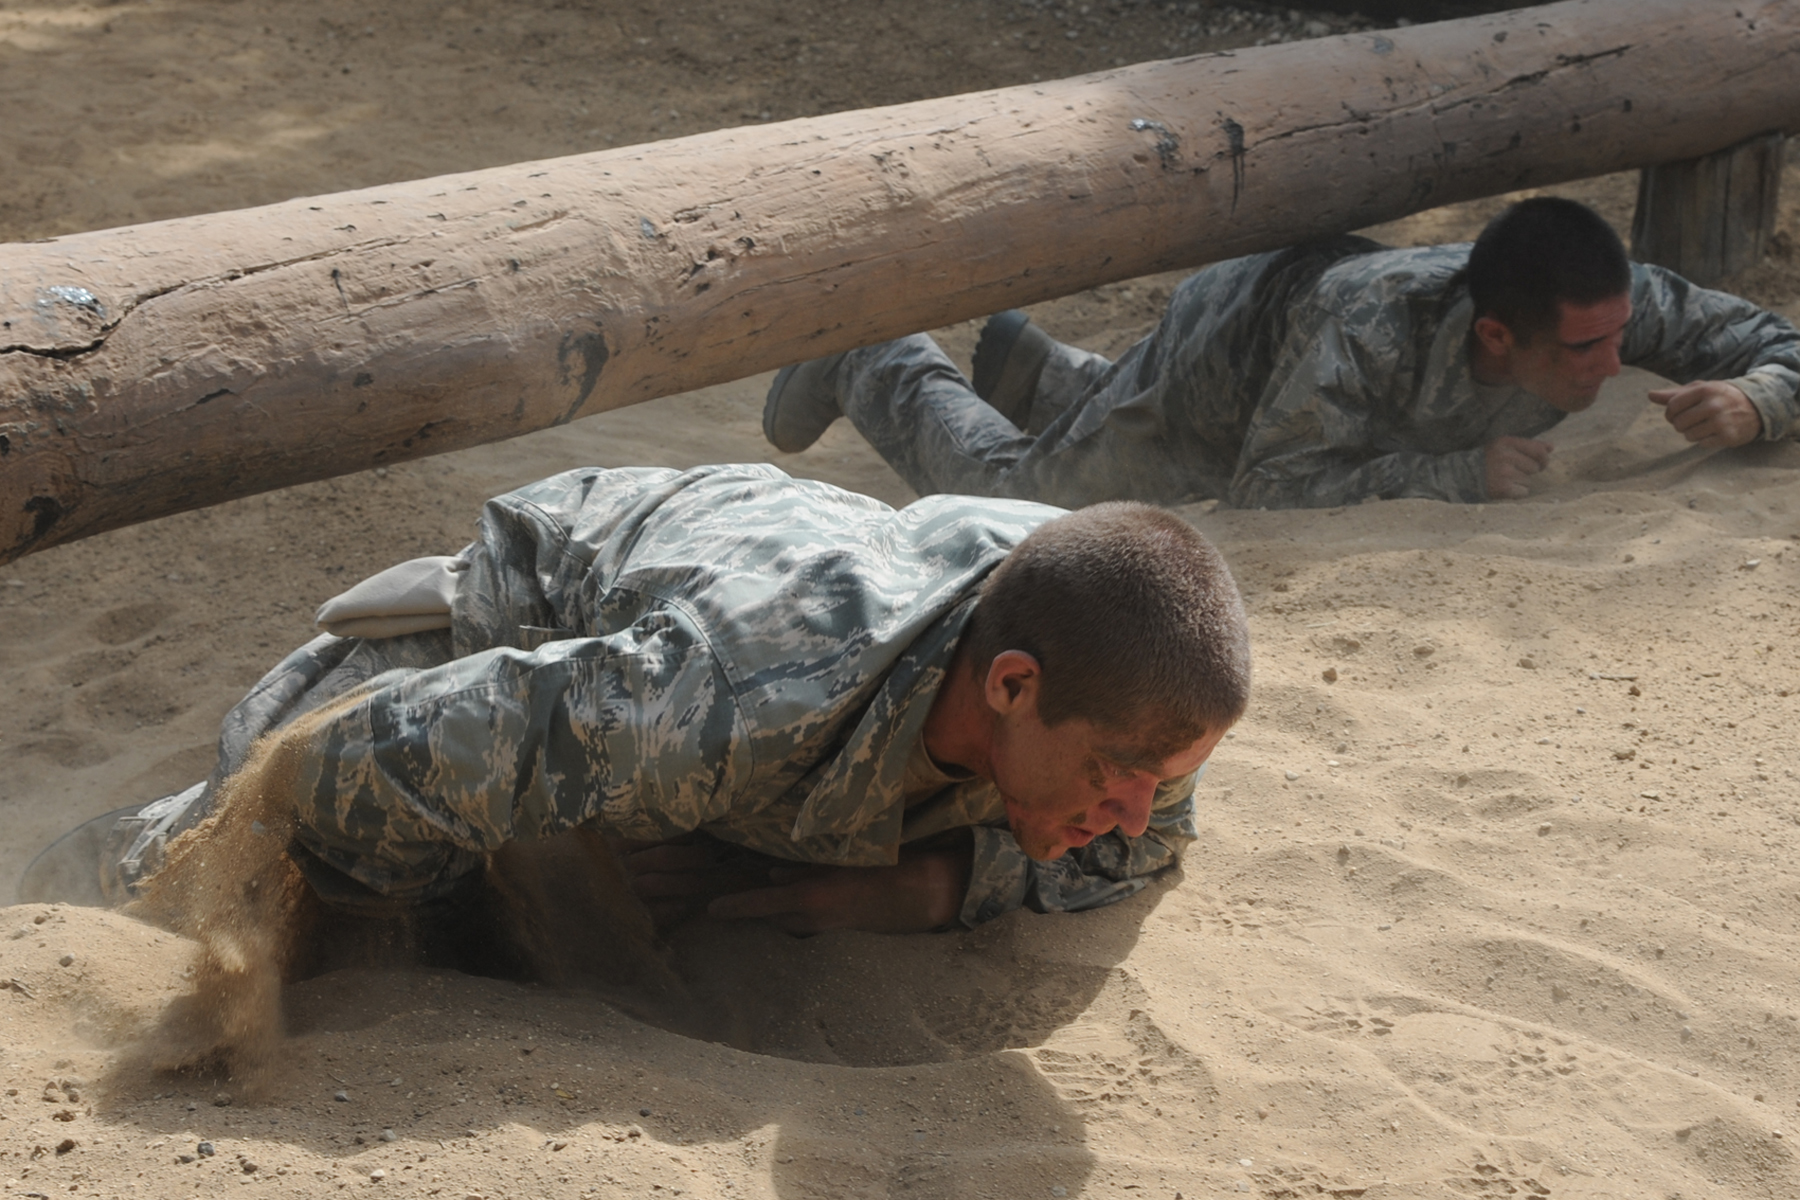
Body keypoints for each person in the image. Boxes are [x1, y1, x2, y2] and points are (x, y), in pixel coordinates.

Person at [22, 463, 1251, 935]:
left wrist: (876, 889)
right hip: (533, 622)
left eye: (1162, 777)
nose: (1138, 812)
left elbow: (1133, 859)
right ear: (1013, 687)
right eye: (1116, 778)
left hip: (761, 682)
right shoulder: (731, 692)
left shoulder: (1142, 694)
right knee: (288, 857)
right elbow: (347, 774)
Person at [762, 197, 1800, 510]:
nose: (1616, 366)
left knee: (1103, 424)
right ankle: (875, 355)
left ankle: (1052, 378)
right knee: (1016, 494)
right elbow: (1271, 477)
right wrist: (1452, 473)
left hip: (1292, 366)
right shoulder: (1368, 322)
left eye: (1622, 340)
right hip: (1219, 373)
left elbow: (1778, 344)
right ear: (1497, 335)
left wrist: (1761, 397)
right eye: (1586, 352)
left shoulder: (1602, 301)